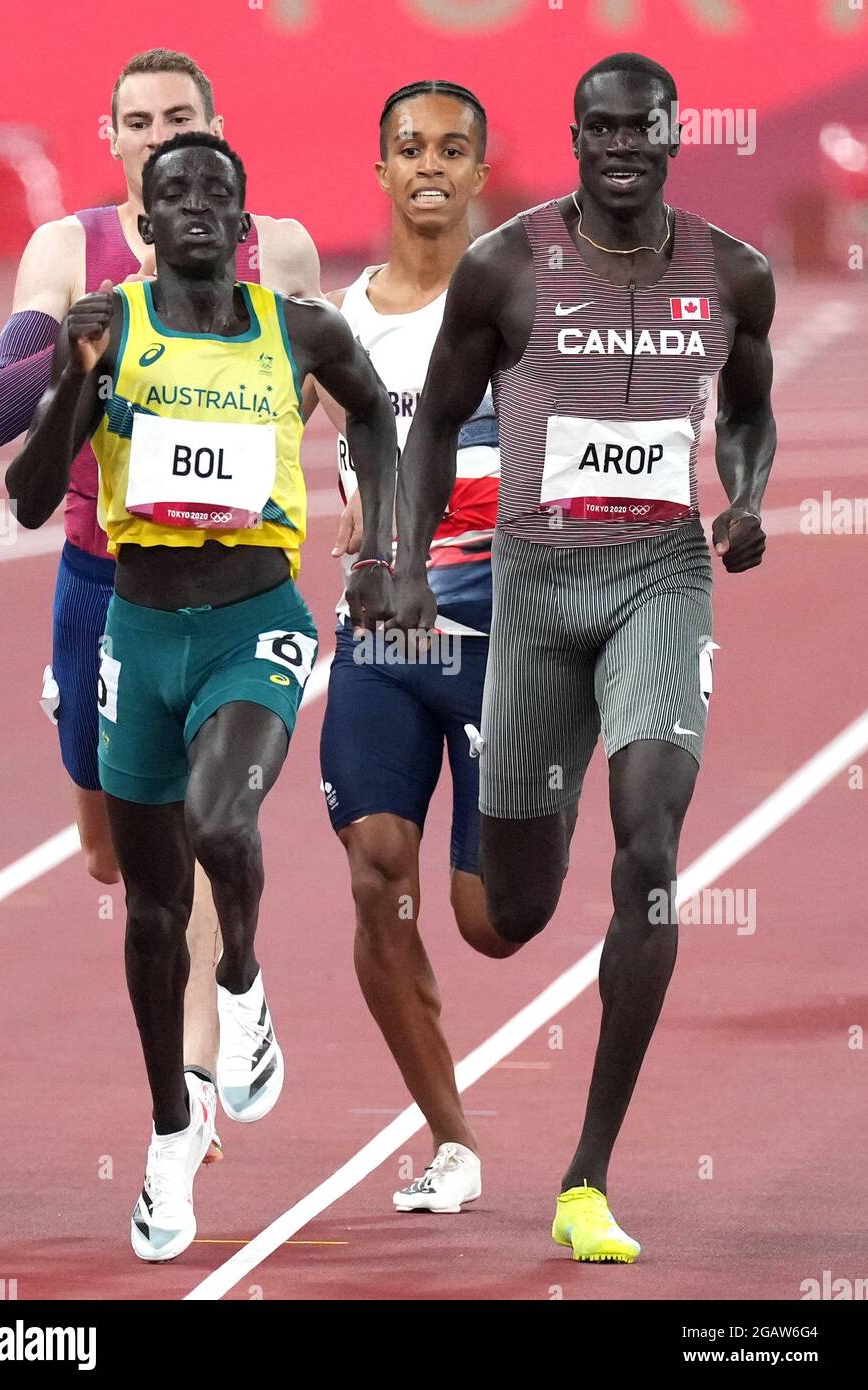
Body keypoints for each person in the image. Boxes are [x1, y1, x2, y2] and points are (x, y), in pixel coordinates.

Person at [391, 52, 775, 1261]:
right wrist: (404, 557)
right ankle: (525, 818)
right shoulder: (503, 266)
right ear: (572, 138)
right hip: (536, 593)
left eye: (641, 128)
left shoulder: (732, 272)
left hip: (660, 580)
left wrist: (746, 492)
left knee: (651, 849)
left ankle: (585, 1175)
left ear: (673, 134)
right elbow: (436, 417)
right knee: (511, 908)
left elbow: (752, 407)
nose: (620, 147)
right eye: (598, 130)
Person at [5, 132, 397, 1261]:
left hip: (254, 623)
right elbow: (34, 502)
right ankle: (171, 1140)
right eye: (166, 190)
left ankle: (241, 984)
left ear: (239, 223)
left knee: (220, 818)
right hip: (138, 631)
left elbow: (372, 413)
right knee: (147, 908)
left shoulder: (298, 329)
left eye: (210, 193)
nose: (186, 205)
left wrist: (392, 549)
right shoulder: (113, 330)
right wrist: (74, 385)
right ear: (143, 217)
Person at [0, 48, 322, 1155]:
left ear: (216, 135)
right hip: (101, 576)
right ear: (113, 138)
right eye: (138, 121)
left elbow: (326, 379)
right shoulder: (63, 247)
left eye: (180, 117)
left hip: (234, 586)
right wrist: (67, 354)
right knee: (112, 855)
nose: (158, 134)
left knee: (207, 825)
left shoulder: (282, 249)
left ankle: (201, 1066)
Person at [318, 81, 506, 1214]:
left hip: (502, 646)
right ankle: (451, 1137)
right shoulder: (337, 324)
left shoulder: (521, 312)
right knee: (375, 869)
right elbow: (255, 430)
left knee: (490, 922)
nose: (427, 165)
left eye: (451, 149)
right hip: (382, 642)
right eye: (407, 148)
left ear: (481, 172)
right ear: (379, 170)